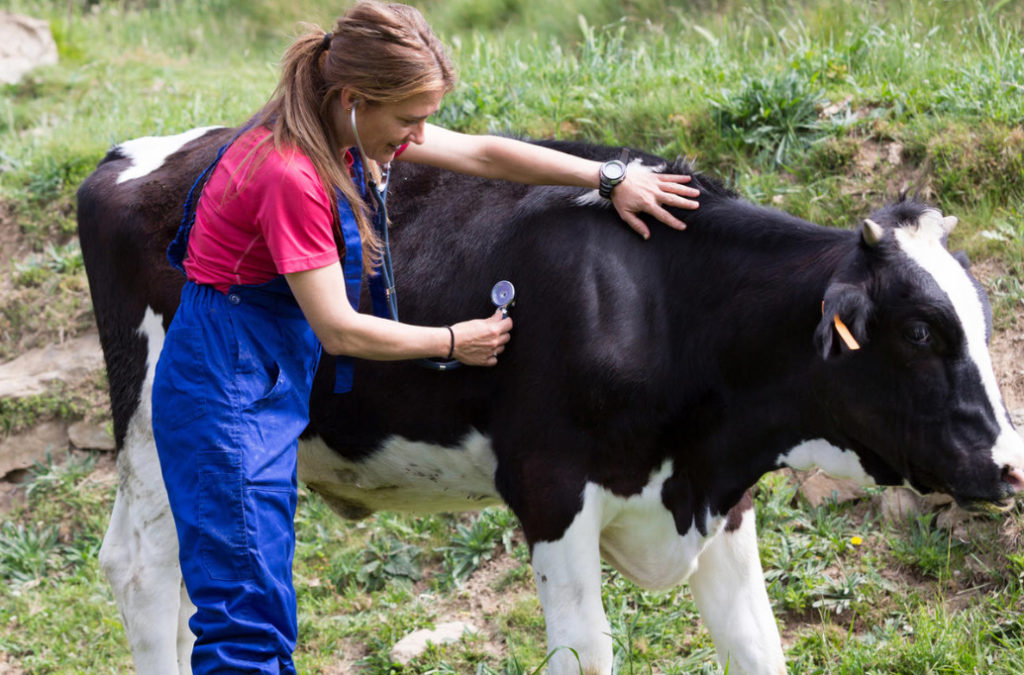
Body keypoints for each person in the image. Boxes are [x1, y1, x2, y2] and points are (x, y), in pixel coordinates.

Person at [151, 1, 701, 672]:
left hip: (258, 370)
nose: (416, 135)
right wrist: (451, 341)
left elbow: (480, 152)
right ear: (354, 97)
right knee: (245, 618)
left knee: (259, 598)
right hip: (226, 382)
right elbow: (338, 326)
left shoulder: (334, 126)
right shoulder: (289, 173)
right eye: (408, 118)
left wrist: (607, 175)